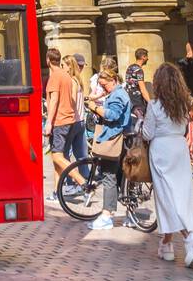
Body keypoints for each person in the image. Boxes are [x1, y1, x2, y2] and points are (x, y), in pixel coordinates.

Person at [142, 62, 193, 267]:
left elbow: (147, 133)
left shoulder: (154, 105)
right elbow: (185, 128)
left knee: (167, 197)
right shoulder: (183, 104)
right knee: (180, 195)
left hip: (161, 150)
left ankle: (190, 238)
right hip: (179, 148)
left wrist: (138, 125)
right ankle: (167, 244)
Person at [86, 68, 132, 230]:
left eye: (105, 86)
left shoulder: (118, 94)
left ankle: (107, 215)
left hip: (113, 139)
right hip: (119, 137)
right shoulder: (118, 93)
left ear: (113, 81)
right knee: (120, 177)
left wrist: (95, 108)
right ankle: (129, 214)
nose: (103, 89)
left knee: (109, 177)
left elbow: (113, 115)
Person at [43, 48, 81, 203]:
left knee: (57, 157)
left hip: (59, 121)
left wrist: (49, 123)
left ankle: (83, 182)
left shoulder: (55, 77)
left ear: (47, 60)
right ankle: (57, 192)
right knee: (57, 159)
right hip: (69, 120)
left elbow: (54, 101)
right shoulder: (66, 76)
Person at [61, 54, 89, 173]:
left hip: (73, 120)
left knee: (64, 154)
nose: (62, 68)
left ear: (69, 66)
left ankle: (70, 182)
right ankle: (85, 178)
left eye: (63, 65)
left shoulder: (71, 81)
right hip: (80, 120)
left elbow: (71, 100)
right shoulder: (78, 80)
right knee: (81, 154)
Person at [124, 61, 149, 133]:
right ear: (143, 57)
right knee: (140, 120)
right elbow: (142, 88)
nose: (147, 59)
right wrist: (149, 102)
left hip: (130, 98)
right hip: (137, 99)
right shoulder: (139, 70)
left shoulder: (129, 67)